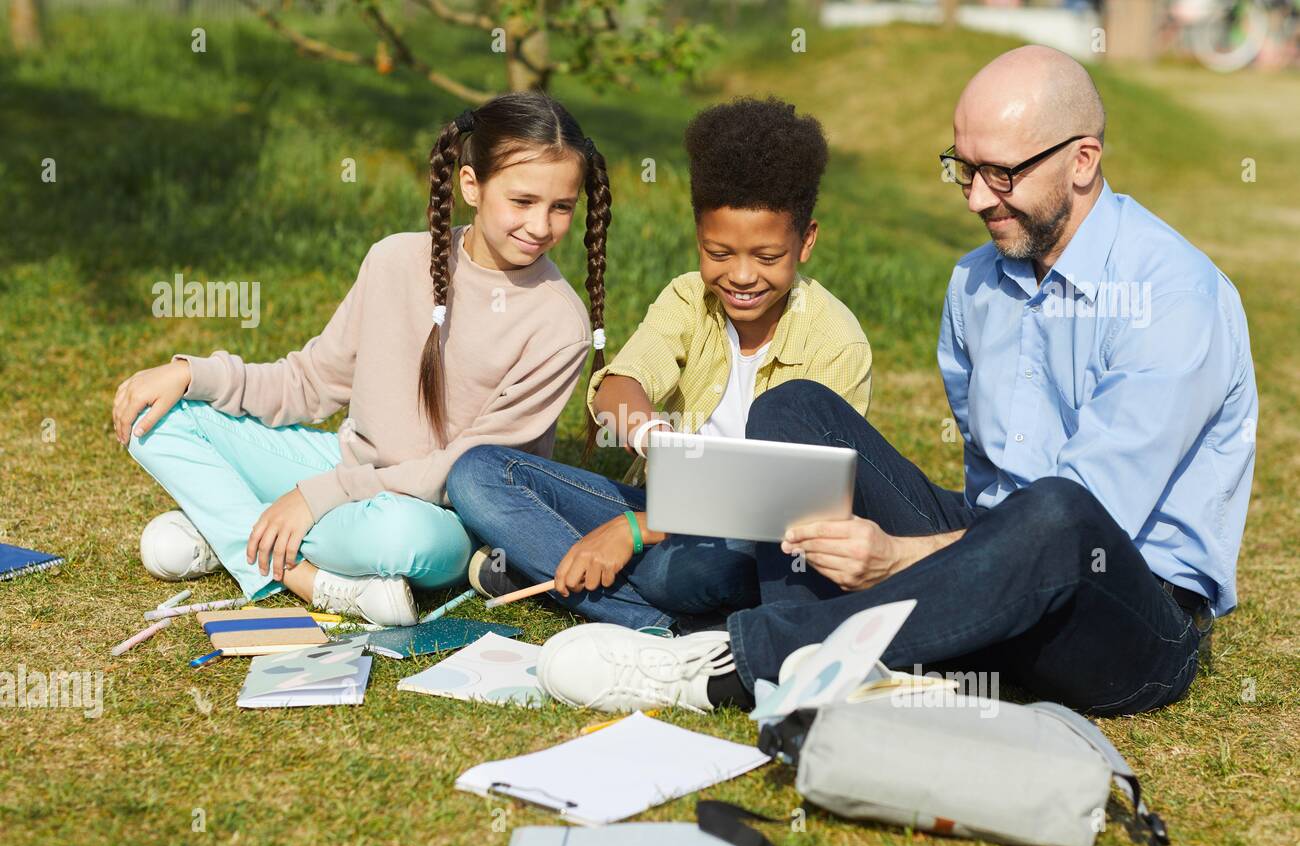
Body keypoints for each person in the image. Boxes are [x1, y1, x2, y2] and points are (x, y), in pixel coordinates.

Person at [535, 46, 1257, 717]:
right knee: (794, 410)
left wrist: (898, 556)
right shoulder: (976, 282)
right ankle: (829, 647)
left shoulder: (1173, 294)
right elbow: (990, 488)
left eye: (1001, 174)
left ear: (1082, 160)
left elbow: (1095, 515)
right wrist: (926, 548)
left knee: (1058, 512)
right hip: (986, 548)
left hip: (1125, 608)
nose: (976, 199)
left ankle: (742, 663)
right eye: (963, 169)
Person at [114, 92, 609, 625]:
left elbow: (464, 470)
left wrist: (319, 495)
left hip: (444, 516)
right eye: (523, 201)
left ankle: (229, 525)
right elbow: (309, 382)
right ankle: (299, 572)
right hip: (348, 470)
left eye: (561, 207)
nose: (541, 225)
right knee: (156, 417)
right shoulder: (394, 259)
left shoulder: (560, 324)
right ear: (471, 184)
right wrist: (194, 374)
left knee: (398, 538)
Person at [448, 96, 872, 631]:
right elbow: (617, 387)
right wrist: (648, 434)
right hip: (660, 515)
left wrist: (634, 529)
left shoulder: (836, 341)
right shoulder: (688, 298)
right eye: (718, 253)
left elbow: (803, 502)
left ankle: (586, 580)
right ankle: (659, 620)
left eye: (767, 258)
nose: (741, 276)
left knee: (682, 573)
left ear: (805, 241)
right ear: (698, 236)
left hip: (764, 535)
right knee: (480, 474)